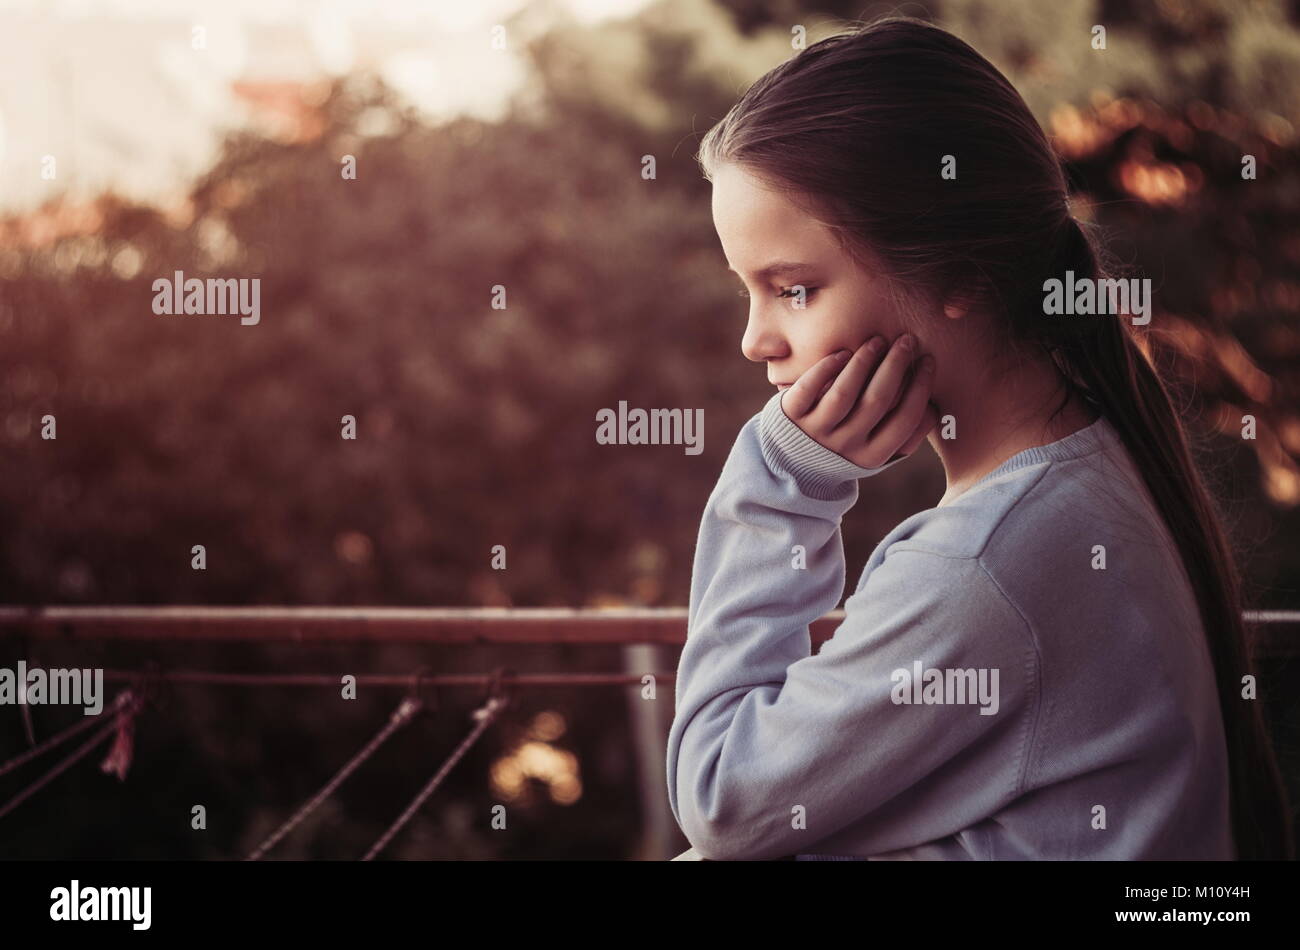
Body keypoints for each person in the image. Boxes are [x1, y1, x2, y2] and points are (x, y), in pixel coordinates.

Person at [665, 17, 1292, 861]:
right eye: (748, 289)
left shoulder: (986, 561)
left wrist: (780, 484)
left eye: (795, 289)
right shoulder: (1087, 468)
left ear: (959, 274)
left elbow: (723, 797)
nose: (755, 340)